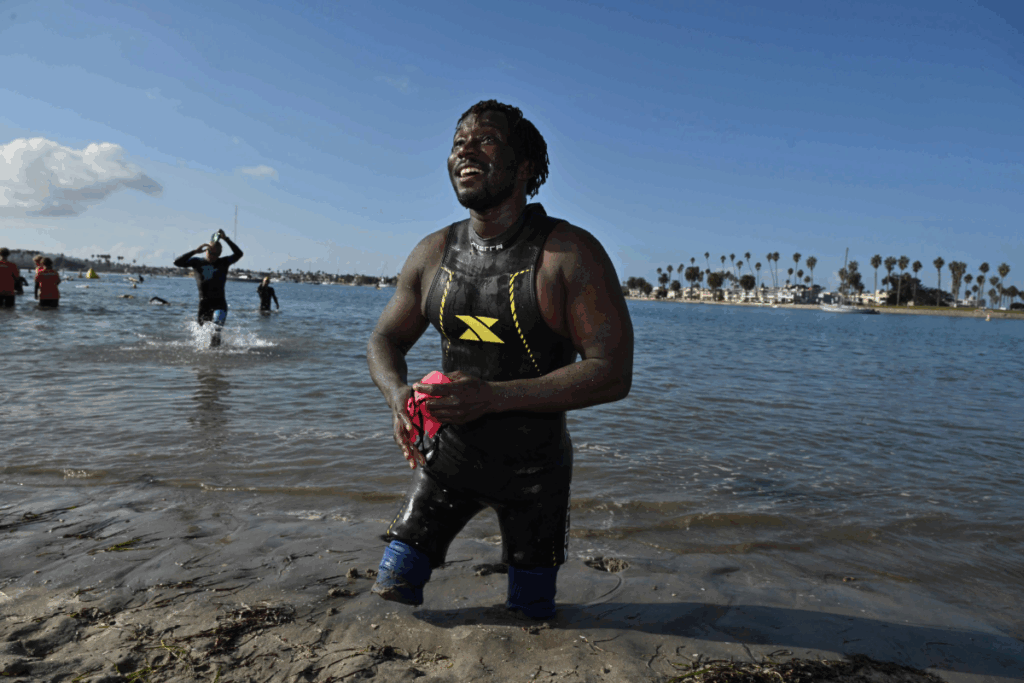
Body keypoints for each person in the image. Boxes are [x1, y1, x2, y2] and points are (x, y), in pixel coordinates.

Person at [366, 100, 634, 620]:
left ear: (525, 167)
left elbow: (611, 372)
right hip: (447, 461)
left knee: (532, 615)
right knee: (394, 589)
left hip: (536, 471)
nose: (465, 148)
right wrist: (397, 395)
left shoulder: (569, 254)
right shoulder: (433, 252)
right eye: (458, 141)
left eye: (485, 139)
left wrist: (494, 397)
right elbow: (383, 339)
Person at [173, 229, 243, 347]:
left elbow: (239, 254)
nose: (212, 256)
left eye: (216, 254)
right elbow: (177, 262)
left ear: (219, 254)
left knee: (216, 329)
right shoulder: (197, 262)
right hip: (203, 304)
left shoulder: (223, 262)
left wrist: (226, 239)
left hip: (219, 304)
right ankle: (206, 359)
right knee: (202, 333)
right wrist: (194, 251)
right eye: (210, 252)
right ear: (206, 251)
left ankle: (216, 358)